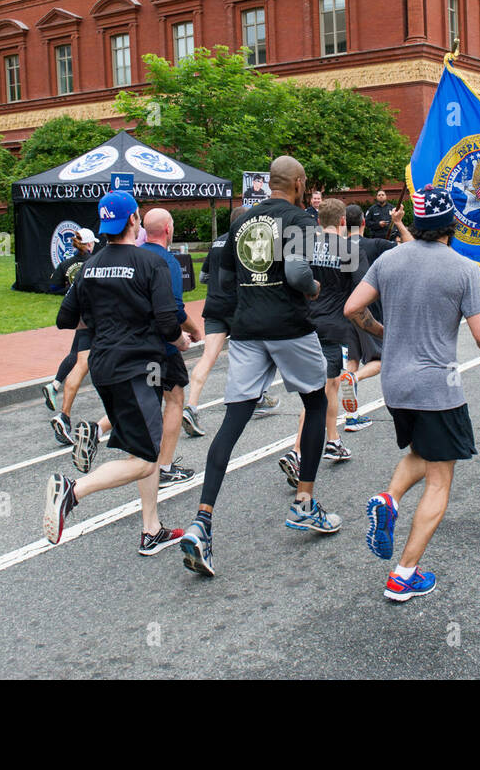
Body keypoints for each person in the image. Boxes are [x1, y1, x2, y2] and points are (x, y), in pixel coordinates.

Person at [178, 156, 340, 578]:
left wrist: (242, 315)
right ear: (300, 183)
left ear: (269, 183)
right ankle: (304, 502)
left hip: (247, 329)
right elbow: (299, 270)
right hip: (288, 325)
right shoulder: (299, 220)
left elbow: (224, 281)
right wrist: (313, 288)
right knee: (317, 402)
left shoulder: (242, 222)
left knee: (234, 419)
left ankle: (202, 520)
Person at [346, 186, 480, 600]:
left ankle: (388, 499)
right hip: (437, 388)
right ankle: (404, 574)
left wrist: (382, 331)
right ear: (453, 224)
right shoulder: (465, 269)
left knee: (421, 451)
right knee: (440, 477)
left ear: (414, 221)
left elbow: (352, 309)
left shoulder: (389, 260)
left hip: (395, 384)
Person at [41, 191, 193, 555]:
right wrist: (181, 341)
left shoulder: (90, 265)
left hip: (104, 366)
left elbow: (65, 319)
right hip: (139, 367)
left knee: (144, 443)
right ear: (133, 221)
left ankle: (151, 528)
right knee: (145, 461)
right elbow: (165, 318)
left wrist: (105, 316)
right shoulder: (149, 263)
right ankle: (72, 491)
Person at [278, 198, 369, 474]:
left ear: (318, 220)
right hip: (335, 327)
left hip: (306, 324)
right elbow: (362, 292)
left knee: (328, 387)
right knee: (319, 390)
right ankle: (296, 451)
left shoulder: (303, 246)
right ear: (343, 221)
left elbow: (291, 281)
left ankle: (333, 440)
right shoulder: (350, 250)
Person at [183, 208, 280, 436]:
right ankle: (257, 397)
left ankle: (192, 406)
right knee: (260, 352)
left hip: (214, 306)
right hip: (238, 307)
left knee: (208, 357)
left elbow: (204, 277)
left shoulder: (217, 242)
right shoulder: (248, 240)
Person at [138, 208, 201, 488]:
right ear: (167, 229)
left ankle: (97, 427)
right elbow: (173, 310)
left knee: (146, 399)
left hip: (135, 344)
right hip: (163, 346)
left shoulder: (134, 256)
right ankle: (163, 466)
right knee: (174, 399)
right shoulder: (168, 262)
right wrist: (192, 331)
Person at [341, 202, 410, 431]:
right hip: (372, 310)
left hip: (345, 309)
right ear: (363, 222)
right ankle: (356, 379)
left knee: (352, 359)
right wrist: (398, 223)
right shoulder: (374, 244)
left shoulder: (338, 246)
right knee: (382, 359)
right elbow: (412, 249)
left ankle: (352, 417)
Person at [42, 229, 95, 413]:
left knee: (77, 352)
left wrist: (68, 290)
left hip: (74, 310)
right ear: (89, 244)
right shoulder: (93, 263)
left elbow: (53, 286)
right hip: (90, 313)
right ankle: (61, 401)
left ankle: (55, 385)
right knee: (83, 358)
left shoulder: (66, 264)